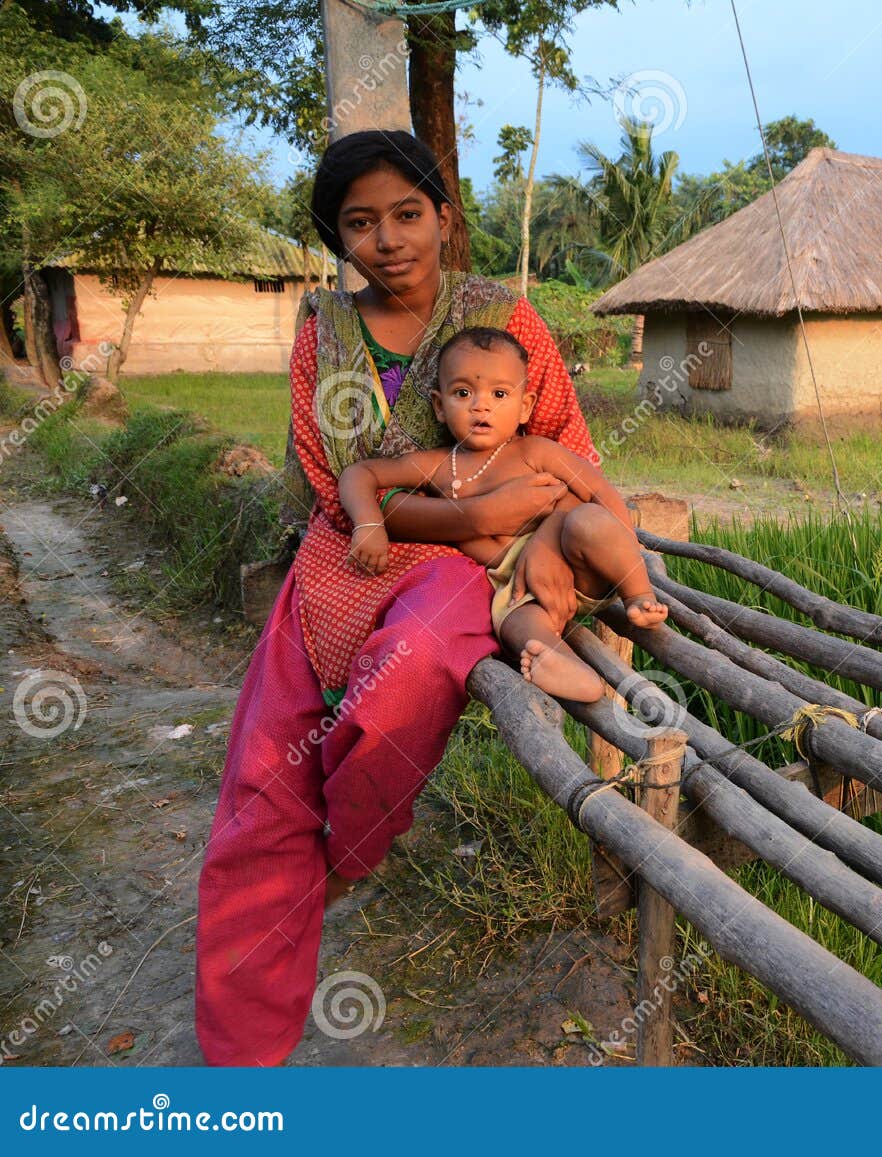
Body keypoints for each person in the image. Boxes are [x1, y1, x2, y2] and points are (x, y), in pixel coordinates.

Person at [194, 129, 596, 1067]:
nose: (387, 239)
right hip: (347, 555)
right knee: (259, 795)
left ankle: (343, 858)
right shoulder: (322, 333)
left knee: (401, 688)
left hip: (464, 571)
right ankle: (239, 1061)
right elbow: (337, 472)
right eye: (359, 223)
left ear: (443, 218)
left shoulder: (504, 318)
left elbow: (565, 450)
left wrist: (507, 522)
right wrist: (485, 504)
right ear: (338, 238)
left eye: (407, 214)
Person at [338, 326, 668, 703]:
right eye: (463, 393)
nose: (482, 406)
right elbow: (360, 473)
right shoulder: (437, 466)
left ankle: (639, 597)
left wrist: (628, 561)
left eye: (499, 394)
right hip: (519, 586)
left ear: (525, 406)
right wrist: (367, 523)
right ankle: (570, 671)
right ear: (439, 406)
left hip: (583, 563)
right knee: (513, 621)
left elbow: (601, 492)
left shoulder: (536, 451)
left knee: (588, 520)